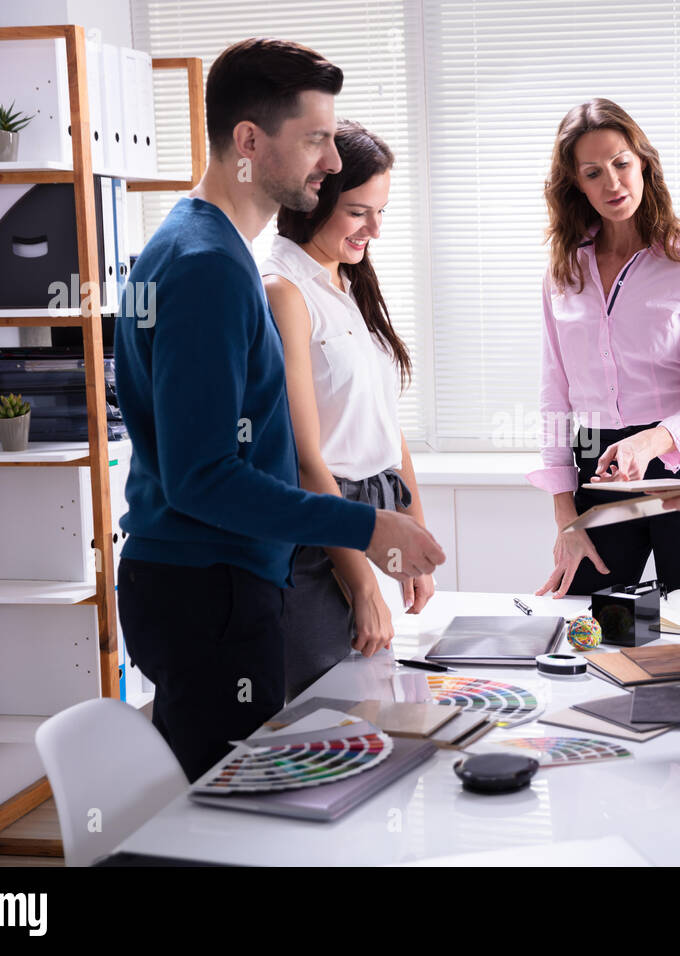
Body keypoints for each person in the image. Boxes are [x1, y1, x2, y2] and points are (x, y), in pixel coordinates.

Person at [114, 38, 444, 782]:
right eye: (317, 140)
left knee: (232, 806)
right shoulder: (209, 268)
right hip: (212, 589)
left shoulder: (187, 249)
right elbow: (205, 477)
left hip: (204, 581)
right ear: (249, 142)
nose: (330, 163)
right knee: (232, 820)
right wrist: (364, 526)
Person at [530, 98, 680, 600]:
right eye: (593, 172)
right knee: (589, 628)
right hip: (597, 463)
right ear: (576, 183)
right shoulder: (564, 273)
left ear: (643, 162)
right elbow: (556, 398)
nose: (613, 183)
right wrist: (565, 513)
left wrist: (648, 443)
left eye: (622, 163)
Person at [262, 120, 435, 700]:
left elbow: (387, 423)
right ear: (316, 197)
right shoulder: (283, 291)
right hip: (323, 527)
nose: (374, 230)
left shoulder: (346, 279)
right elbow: (304, 457)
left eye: (381, 212)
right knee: (324, 714)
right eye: (359, 211)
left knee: (373, 704)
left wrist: (417, 534)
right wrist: (359, 580)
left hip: (375, 512)